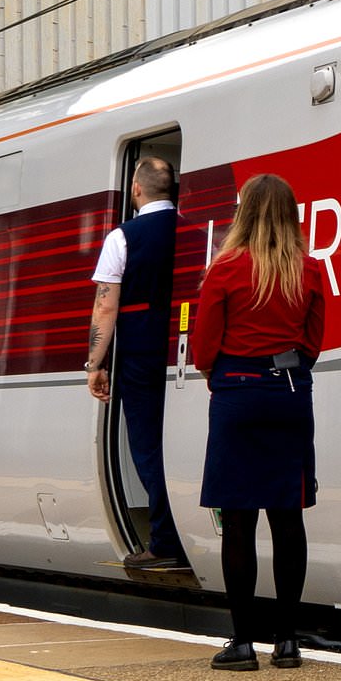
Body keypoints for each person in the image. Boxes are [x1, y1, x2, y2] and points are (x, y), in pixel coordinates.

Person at [192, 173, 326, 671]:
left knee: (239, 521)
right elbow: (312, 344)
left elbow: (205, 344)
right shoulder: (308, 270)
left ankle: (243, 642)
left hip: (237, 394)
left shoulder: (224, 269)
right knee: (288, 517)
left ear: (243, 212)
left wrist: (224, 376)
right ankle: (288, 642)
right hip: (289, 393)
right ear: (292, 214)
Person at [86, 156, 188, 571]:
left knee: (148, 447)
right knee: (181, 444)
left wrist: (95, 363)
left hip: (142, 350)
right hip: (187, 345)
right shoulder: (195, 231)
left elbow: (106, 307)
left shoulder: (123, 236)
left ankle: (165, 541)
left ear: (136, 190)